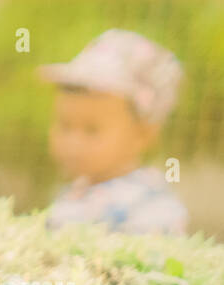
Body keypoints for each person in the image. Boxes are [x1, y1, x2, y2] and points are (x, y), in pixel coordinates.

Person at [40, 29, 187, 235]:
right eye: (65, 125)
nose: (73, 142)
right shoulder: (74, 190)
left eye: (92, 130)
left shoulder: (150, 207)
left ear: (142, 135)